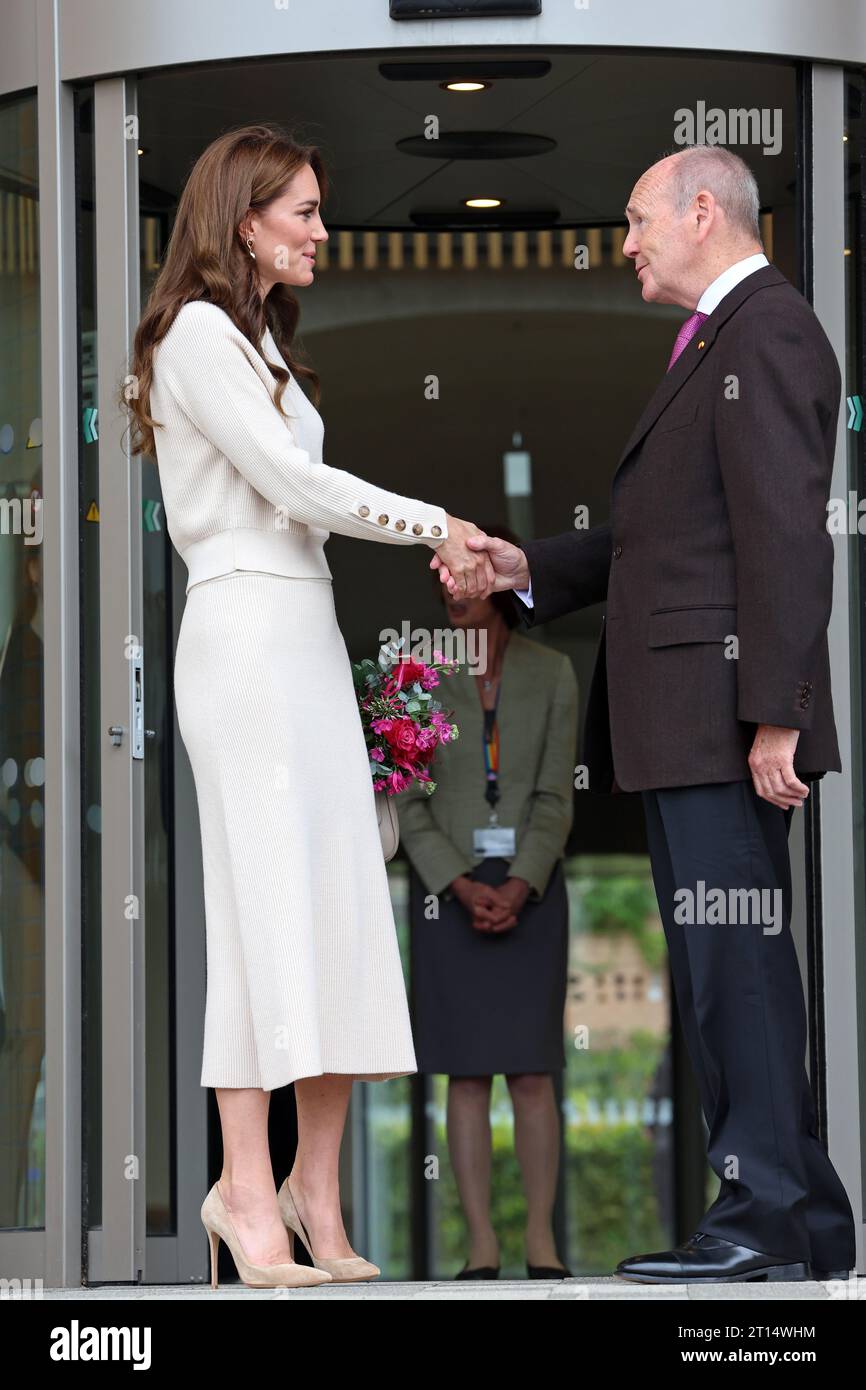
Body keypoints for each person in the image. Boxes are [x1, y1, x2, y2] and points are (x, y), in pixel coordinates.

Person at [432, 144, 856, 1284]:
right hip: (692, 723)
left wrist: (774, 713)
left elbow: (783, 535)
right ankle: (801, 1221)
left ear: (700, 210)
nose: (620, 242)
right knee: (732, 968)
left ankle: (760, 1217)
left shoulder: (761, 330)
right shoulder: (720, 339)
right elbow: (660, 543)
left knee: (734, 970)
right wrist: (526, 568)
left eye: (632, 220)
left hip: (719, 721)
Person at [122, 123, 489, 1289]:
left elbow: (297, 487)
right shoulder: (191, 337)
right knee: (262, 915)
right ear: (245, 221)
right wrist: (437, 523)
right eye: (305, 214)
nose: (323, 233)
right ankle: (243, 1186)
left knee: (335, 909)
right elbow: (289, 485)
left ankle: (313, 1198)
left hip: (303, 634)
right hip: (240, 640)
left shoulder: (258, 342)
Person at [399, 525, 577, 1279]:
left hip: (531, 893)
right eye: (441, 575)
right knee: (464, 1074)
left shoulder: (555, 672)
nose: (450, 586)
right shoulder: (417, 680)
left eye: (463, 571)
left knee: (532, 1073)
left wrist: (518, 880)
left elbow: (554, 795)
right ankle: (481, 1247)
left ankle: (541, 1242)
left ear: (498, 582)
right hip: (451, 898)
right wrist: (461, 883)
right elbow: (408, 801)